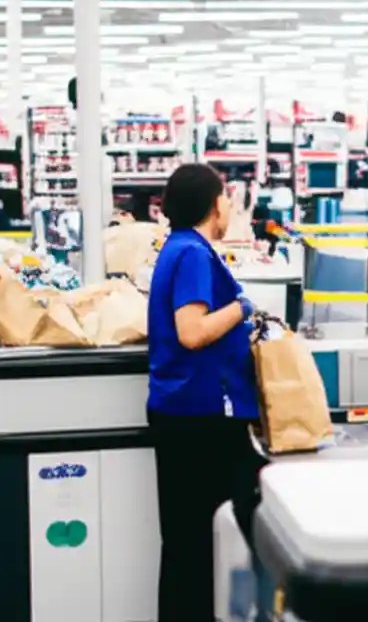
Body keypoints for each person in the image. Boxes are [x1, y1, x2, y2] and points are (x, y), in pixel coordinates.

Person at [146, 163, 269, 621]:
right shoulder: (194, 253)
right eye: (227, 198)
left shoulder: (180, 248)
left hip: (185, 411)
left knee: (185, 543)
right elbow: (192, 332)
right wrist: (242, 308)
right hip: (200, 417)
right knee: (197, 542)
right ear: (213, 203)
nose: (231, 207)